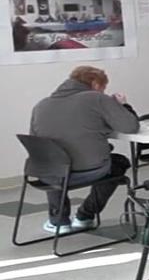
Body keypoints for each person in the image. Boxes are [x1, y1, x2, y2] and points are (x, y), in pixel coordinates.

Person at [28, 66, 138, 233]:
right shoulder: (96, 98)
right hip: (90, 170)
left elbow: (37, 143)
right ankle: (85, 216)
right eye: (103, 87)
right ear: (95, 84)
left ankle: (58, 221)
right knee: (119, 163)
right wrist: (122, 105)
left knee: (55, 164)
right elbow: (130, 126)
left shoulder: (41, 105)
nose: (103, 91)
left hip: (47, 172)